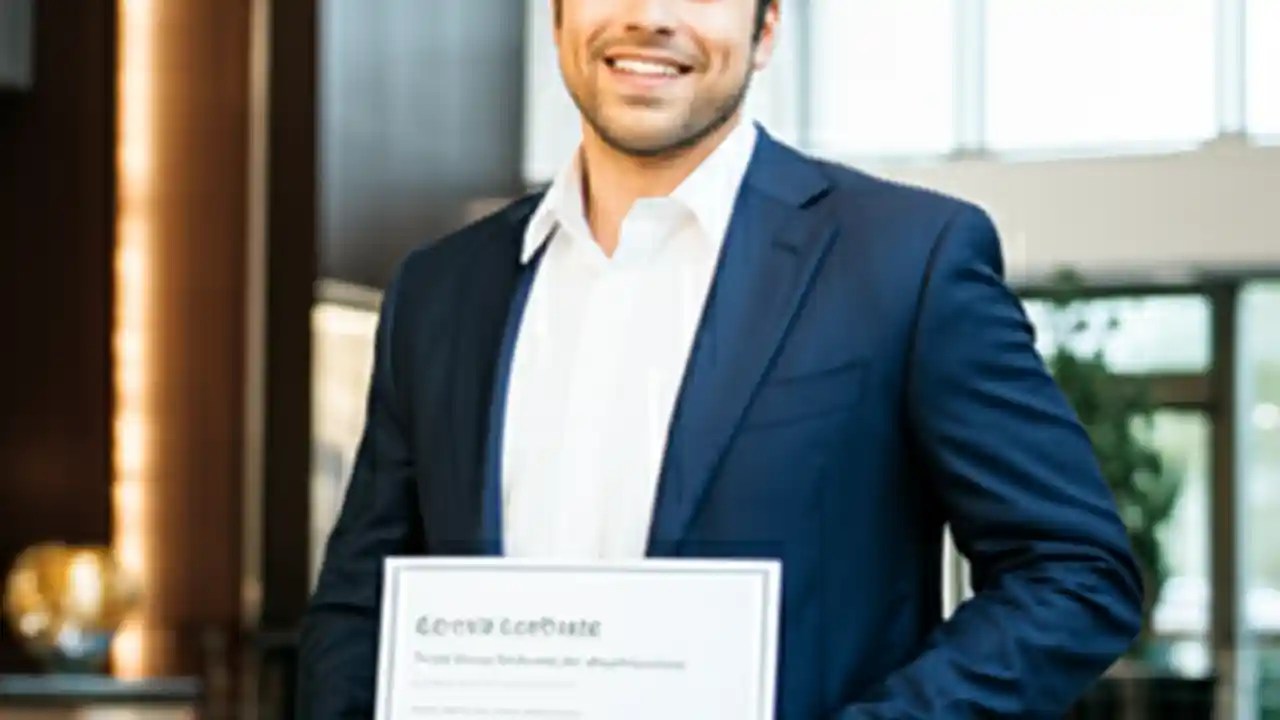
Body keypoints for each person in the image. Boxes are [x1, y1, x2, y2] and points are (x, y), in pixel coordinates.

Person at [297, 0, 1144, 717]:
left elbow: (1074, 573)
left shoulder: (903, 259)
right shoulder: (442, 289)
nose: (651, 18)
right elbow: (359, 600)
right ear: (555, 17)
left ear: (767, 27)